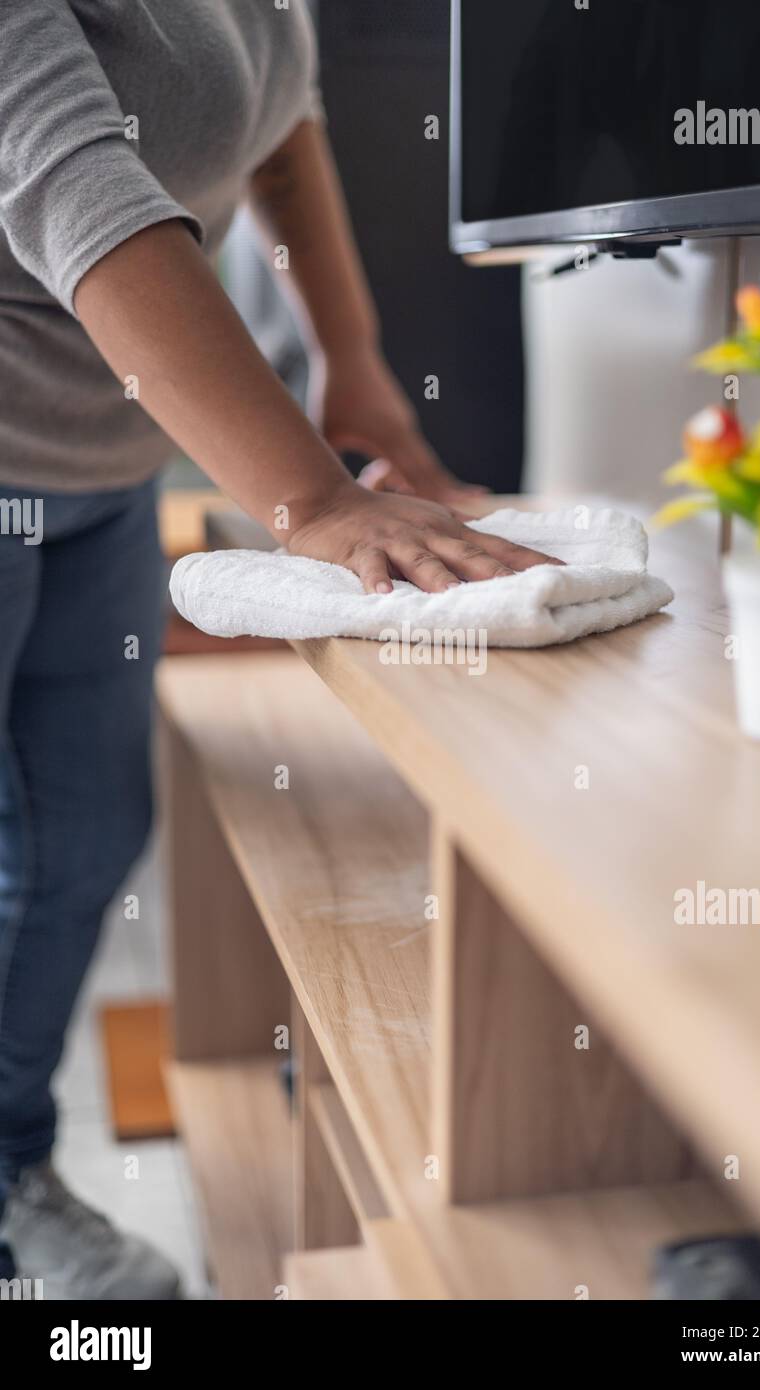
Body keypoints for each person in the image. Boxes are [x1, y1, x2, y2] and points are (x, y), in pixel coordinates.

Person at [0, 2, 553, 1298]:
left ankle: (12, 1167)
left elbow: (280, 126)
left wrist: (349, 366)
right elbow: (76, 181)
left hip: (102, 469)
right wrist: (312, 501)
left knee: (85, 832)